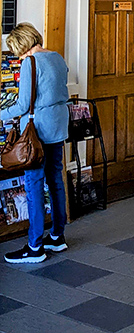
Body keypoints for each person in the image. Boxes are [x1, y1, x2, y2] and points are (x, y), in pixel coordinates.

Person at [1, 23, 69, 263]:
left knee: (33, 186)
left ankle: (34, 247)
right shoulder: (57, 57)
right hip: (59, 125)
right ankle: (57, 237)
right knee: (56, 180)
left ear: (22, 44)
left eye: (16, 50)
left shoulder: (30, 63)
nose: (18, 56)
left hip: (37, 132)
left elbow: (22, 106)